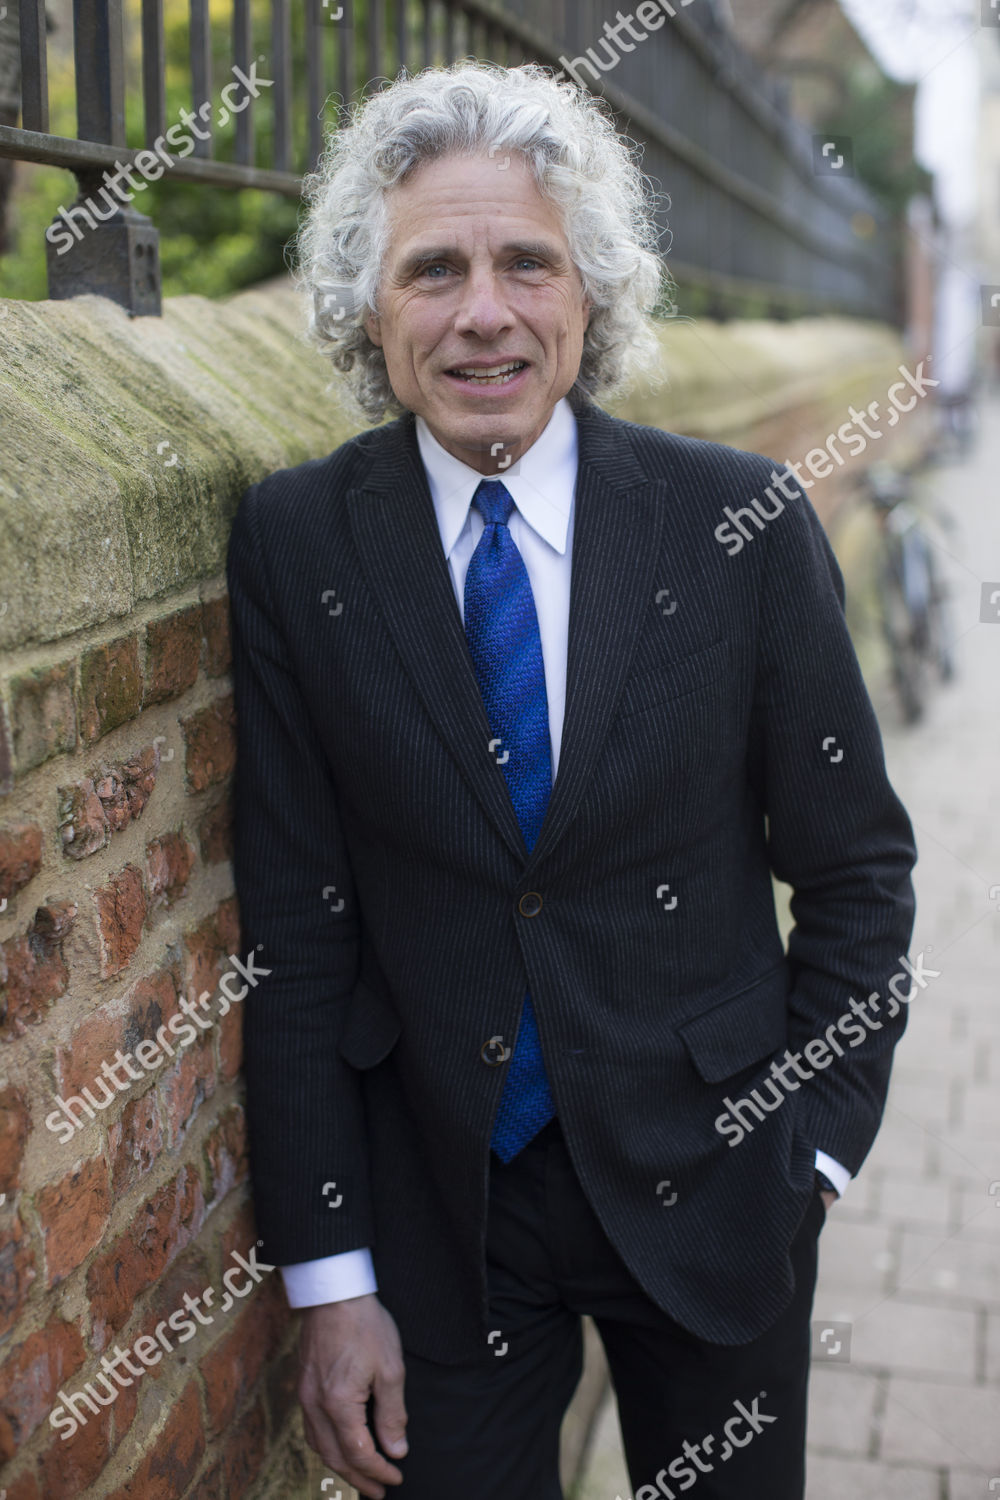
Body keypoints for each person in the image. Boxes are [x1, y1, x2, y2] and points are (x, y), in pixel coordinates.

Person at [226, 60, 916, 1500]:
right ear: (370, 304)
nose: (484, 310)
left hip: (718, 1184)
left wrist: (816, 1161)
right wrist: (332, 1276)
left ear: (590, 292)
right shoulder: (298, 548)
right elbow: (294, 935)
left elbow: (856, 868)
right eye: (435, 270)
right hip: (443, 1210)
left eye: (526, 261)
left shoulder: (736, 525)